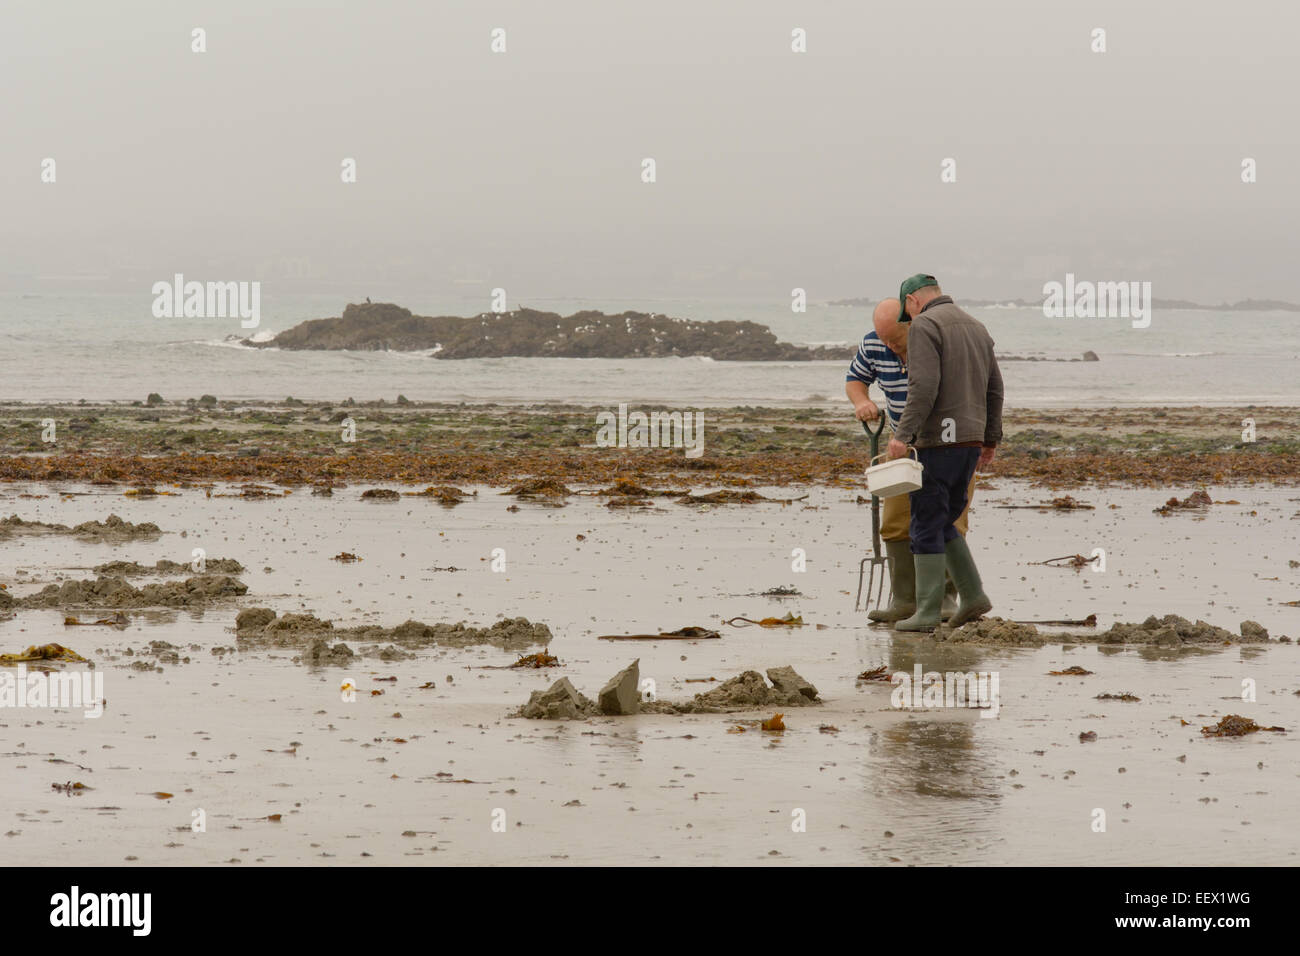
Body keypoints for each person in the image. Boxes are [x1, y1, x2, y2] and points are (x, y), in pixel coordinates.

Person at [886, 275, 1003, 632]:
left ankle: (927, 611)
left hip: (939, 441)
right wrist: (990, 439)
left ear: (911, 301)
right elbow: (995, 387)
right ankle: (973, 596)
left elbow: (923, 386)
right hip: (968, 440)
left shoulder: (925, 324)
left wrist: (902, 435)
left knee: (924, 520)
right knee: (946, 520)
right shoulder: (977, 326)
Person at [846, 299, 973, 622]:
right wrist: (862, 401)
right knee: (895, 521)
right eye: (883, 338)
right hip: (903, 447)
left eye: (895, 340)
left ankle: (944, 599)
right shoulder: (874, 343)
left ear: (912, 324)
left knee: (947, 520)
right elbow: (855, 379)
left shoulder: (934, 341)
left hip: (948, 442)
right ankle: (904, 600)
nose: (888, 346)